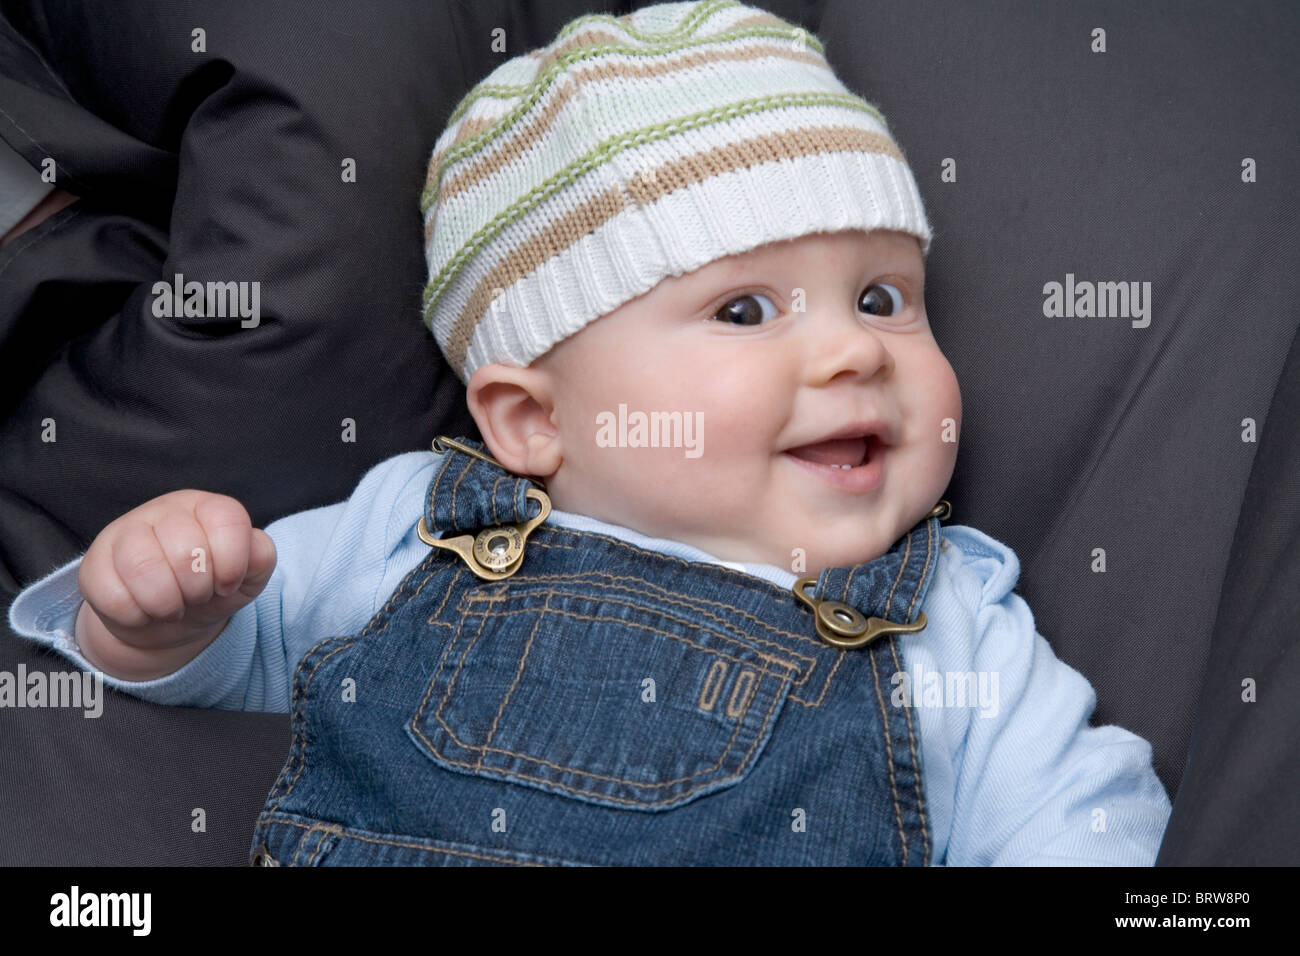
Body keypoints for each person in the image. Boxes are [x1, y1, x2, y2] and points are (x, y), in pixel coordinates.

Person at [7, 0, 1170, 865]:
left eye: (882, 298)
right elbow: (240, 660)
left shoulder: (948, 622)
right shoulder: (417, 533)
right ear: (531, 419)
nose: (854, 351)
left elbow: (1079, 814)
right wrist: (164, 610)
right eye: (743, 310)